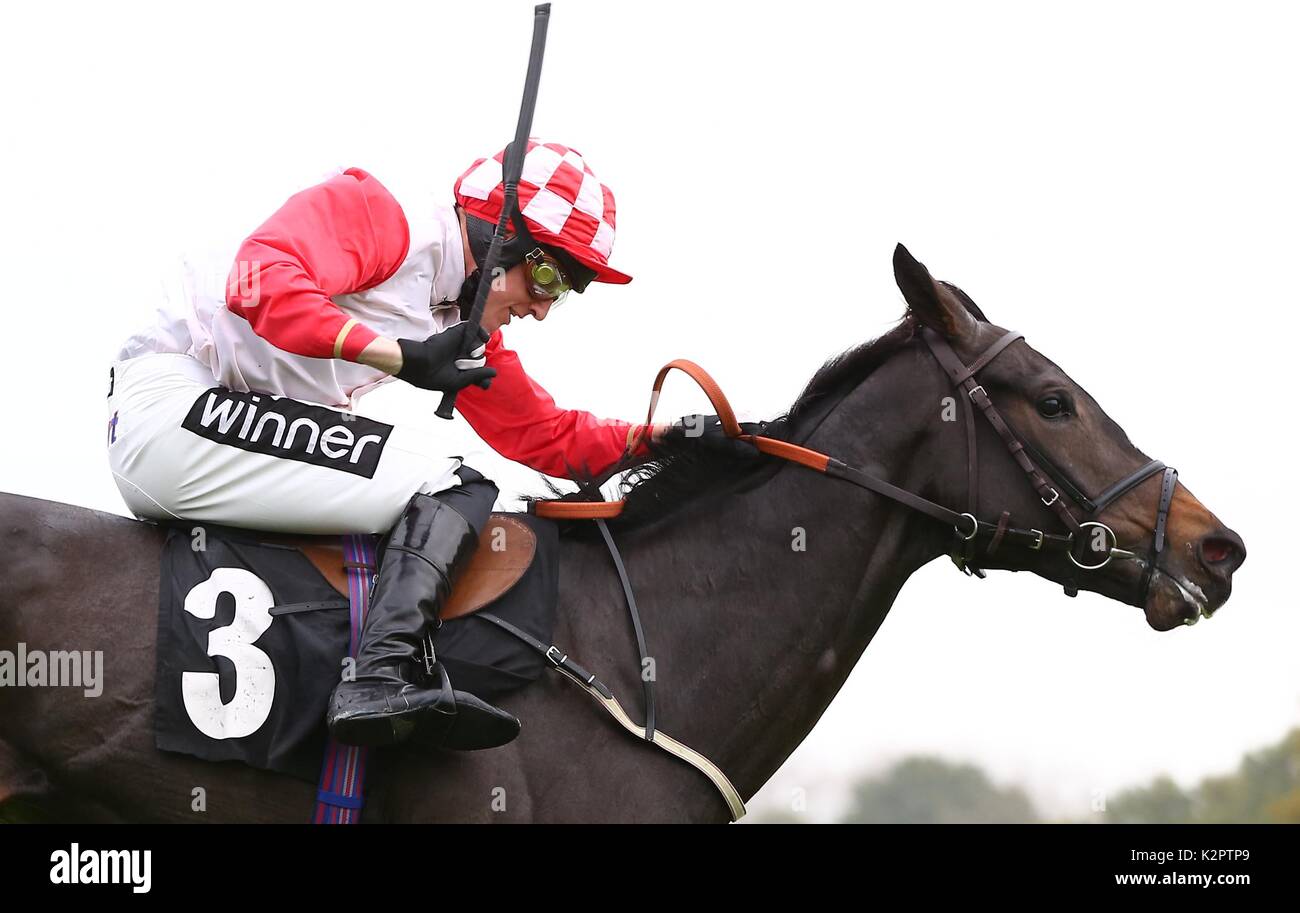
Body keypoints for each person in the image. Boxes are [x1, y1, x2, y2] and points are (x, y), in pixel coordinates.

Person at [107, 140, 696, 751]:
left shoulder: (455, 326)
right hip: (171, 407)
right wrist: (403, 358)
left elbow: (542, 435)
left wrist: (666, 444)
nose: (544, 308)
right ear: (498, 234)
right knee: (450, 484)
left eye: (566, 291)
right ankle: (377, 680)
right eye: (546, 275)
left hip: (215, 430)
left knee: (439, 488)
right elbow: (259, 282)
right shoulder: (386, 216)